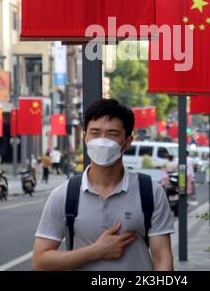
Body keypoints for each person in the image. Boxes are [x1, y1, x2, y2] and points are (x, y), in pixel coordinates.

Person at [32, 99, 174, 271]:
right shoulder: (64, 194)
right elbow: (40, 260)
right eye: (95, 133)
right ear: (85, 137)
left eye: (112, 134)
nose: (102, 141)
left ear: (127, 142)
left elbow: (162, 259)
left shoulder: (150, 192)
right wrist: (95, 251)